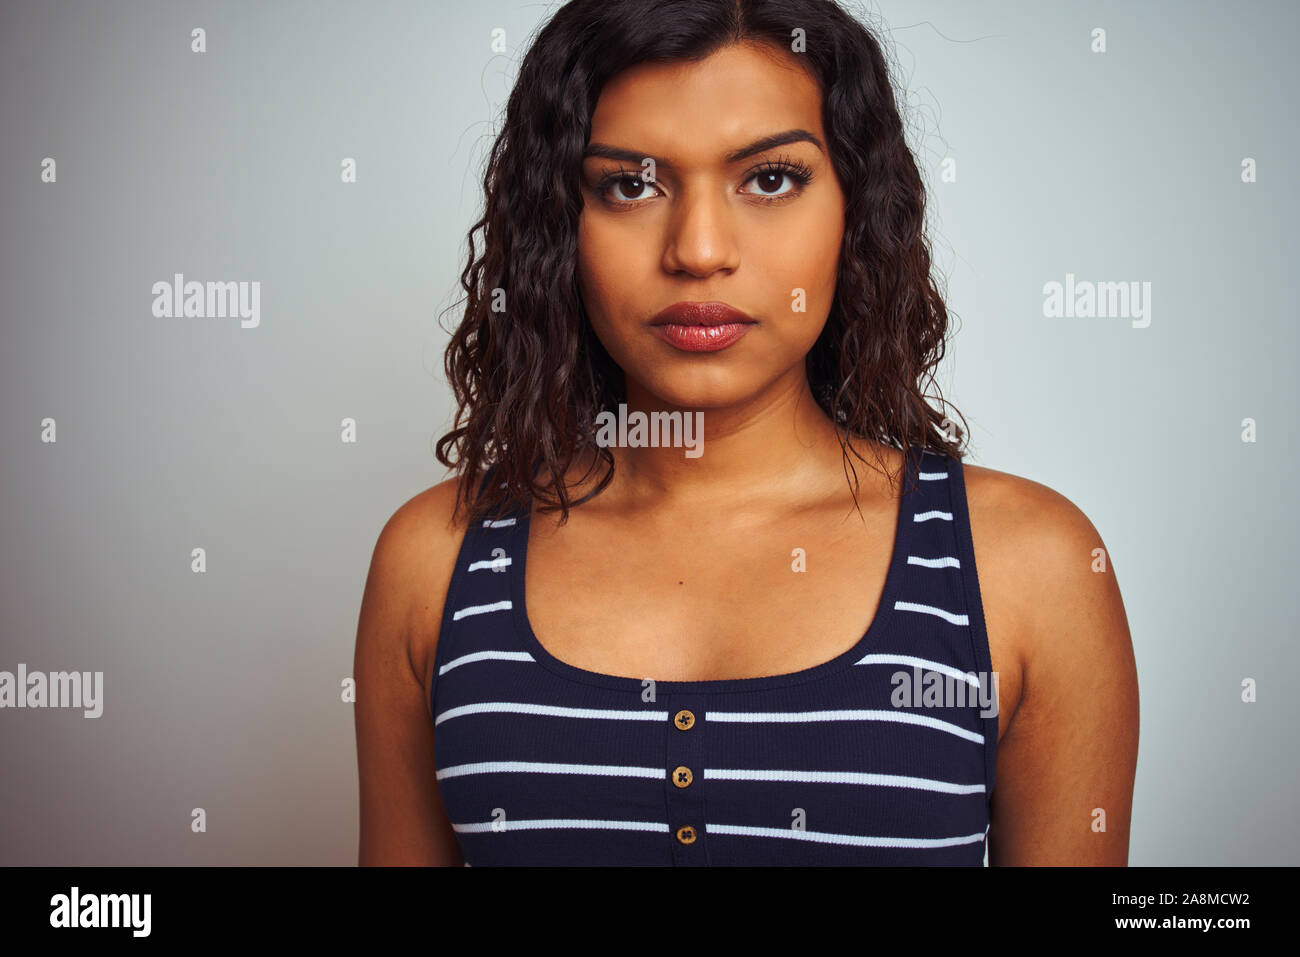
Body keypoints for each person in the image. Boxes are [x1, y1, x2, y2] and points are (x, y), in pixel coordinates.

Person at [354, 0, 1138, 866]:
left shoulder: (1029, 568)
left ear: (856, 209)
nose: (697, 250)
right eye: (630, 184)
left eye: (769, 179)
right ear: (558, 225)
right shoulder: (436, 562)